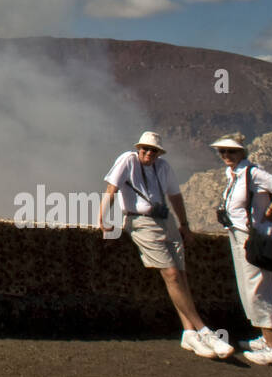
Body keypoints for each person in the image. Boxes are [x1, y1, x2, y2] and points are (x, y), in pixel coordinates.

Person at [99, 131, 234, 359]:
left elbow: (175, 197)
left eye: (153, 150)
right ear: (138, 148)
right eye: (145, 149)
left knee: (181, 276)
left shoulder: (163, 167)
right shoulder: (127, 160)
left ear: (158, 153)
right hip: (141, 221)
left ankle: (189, 334)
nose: (149, 153)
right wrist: (102, 219)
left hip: (166, 221)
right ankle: (204, 331)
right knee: (171, 274)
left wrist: (184, 224)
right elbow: (111, 189)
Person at [211, 133, 272, 369]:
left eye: (231, 151)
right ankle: (264, 339)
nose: (226, 155)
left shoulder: (253, 173)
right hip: (238, 235)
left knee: (258, 289)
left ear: (243, 152)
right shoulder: (234, 174)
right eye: (222, 152)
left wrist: (269, 213)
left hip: (253, 239)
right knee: (248, 288)